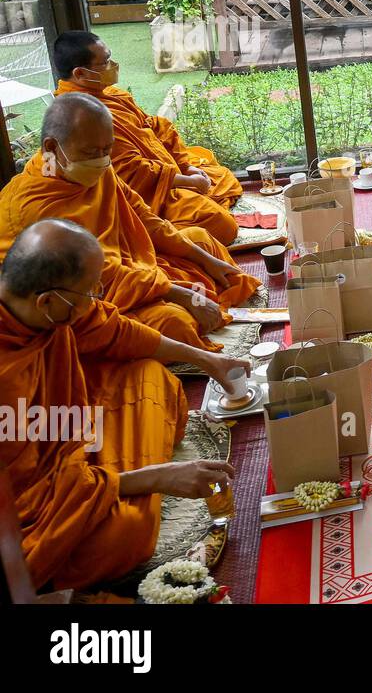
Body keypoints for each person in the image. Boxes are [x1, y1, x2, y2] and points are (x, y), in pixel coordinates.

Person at [0, 220, 245, 590]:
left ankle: (119, 475)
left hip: (67, 436)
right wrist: (159, 478)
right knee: (127, 533)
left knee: (152, 376)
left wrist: (206, 360)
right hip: (34, 504)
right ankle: (128, 479)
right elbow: (26, 500)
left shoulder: (45, 310)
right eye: (89, 294)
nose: (96, 300)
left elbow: (116, 331)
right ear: (47, 301)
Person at [0, 94, 260, 351]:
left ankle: (195, 297)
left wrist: (203, 258)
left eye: (106, 150)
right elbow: (96, 276)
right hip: (86, 296)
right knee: (175, 324)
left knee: (202, 241)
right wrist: (177, 293)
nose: (101, 160)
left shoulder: (94, 167)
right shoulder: (34, 206)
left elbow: (143, 217)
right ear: (52, 148)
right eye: (91, 152)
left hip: (133, 267)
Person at [51, 30, 244, 245]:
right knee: (222, 224)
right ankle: (155, 237)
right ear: (80, 74)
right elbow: (131, 173)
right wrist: (185, 181)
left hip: (168, 173)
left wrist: (185, 166)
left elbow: (156, 127)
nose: (113, 65)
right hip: (150, 196)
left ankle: (188, 211)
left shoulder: (113, 95)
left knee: (221, 175)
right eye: (105, 62)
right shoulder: (81, 117)